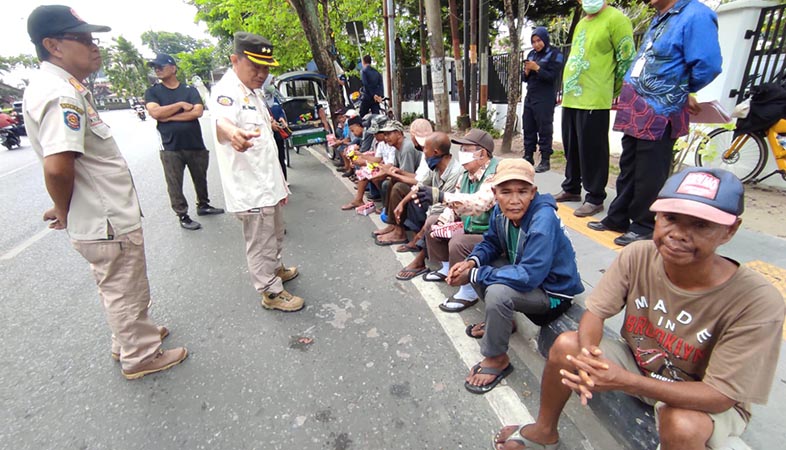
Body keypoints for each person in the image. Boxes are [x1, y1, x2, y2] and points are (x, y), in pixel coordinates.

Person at [491, 167, 785, 450]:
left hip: (700, 394)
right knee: (568, 345)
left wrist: (625, 381)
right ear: (656, 216)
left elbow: (719, 396)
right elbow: (595, 313)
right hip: (640, 364)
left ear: (730, 231)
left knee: (680, 423)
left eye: (701, 225)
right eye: (670, 218)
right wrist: (588, 360)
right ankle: (544, 431)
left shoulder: (757, 300)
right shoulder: (637, 255)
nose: (679, 234)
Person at [23, 5, 187, 379]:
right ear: (53, 45)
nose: (94, 46)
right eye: (82, 39)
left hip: (101, 216)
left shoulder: (64, 87)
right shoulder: (59, 93)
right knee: (125, 285)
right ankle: (141, 355)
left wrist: (62, 205)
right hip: (106, 218)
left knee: (116, 284)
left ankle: (130, 336)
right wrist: (62, 209)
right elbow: (57, 165)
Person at [588, 0, 722, 247]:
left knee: (650, 171)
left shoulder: (696, 15)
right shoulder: (661, 17)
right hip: (636, 107)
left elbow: (709, 65)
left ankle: (644, 225)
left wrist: (681, 90)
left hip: (661, 109)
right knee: (629, 165)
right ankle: (618, 216)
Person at [448, 159, 583, 394]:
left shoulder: (543, 219)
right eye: (506, 192)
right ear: (495, 193)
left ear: (533, 193)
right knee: (480, 263)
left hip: (551, 294)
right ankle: (503, 322)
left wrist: (476, 273)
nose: (514, 200)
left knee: (497, 291)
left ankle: (497, 358)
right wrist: (471, 262)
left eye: (522, 191)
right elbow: (490, 242)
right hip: (526, 276)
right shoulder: (500, 212)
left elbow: (530, 275)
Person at [210, 32, 304, 312]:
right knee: (259, 242)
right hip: (251, 188)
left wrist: (280, 185)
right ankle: (270, 292)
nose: (262, 73)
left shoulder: (252, 91)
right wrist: (232, 133)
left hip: (267, 184)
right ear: (234, 60)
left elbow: (264, 143)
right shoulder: (227, 91)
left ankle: (275, 270)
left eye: (266, 67)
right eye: (256, 66)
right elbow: (221, 123)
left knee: (274, 234)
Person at [555, 0, 635, 218]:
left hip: (594, 97)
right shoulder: (582, 22)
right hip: (572, 97)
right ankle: (572, 188)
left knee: (592, 149)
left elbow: (627, 59)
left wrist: (613, 89)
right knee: (571, 147)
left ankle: (595, 197)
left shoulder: (617, 19)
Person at [421, 129, 500, 311]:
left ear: (482, 153)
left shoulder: (494, 174)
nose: (461, 153)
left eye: (466, 148)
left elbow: (480, 203)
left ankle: (468, 291)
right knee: (432, 223)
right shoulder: (465, 175)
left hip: (489, 233)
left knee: (458, 242)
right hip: (470, 227)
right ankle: (446, 268)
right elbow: (454, 206)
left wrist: (441, 196)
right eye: (461, 148)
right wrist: (442, 223)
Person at [144, 53, 224, 230]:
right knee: (174, 182)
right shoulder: (153, 92)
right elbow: (156, 113)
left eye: (161, 66)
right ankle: (182, 214)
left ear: (173, 68)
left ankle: (203, 205)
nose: (157, 69)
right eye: (155, 67)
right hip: (170, 145)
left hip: (195, 142)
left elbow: (197, 112)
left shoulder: (190, 90)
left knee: (200, 177)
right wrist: (180, 105)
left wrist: (169, 116)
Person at [391, 132, 464, 280]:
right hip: (436, 208)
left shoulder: (456, 172)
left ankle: (420, 260)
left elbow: (444, 207)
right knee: (412, 199)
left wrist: (423, 230)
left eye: (425, 148)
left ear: (436, 152)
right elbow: (419, 186)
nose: (423, 151)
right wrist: (402, 203)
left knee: (433, 220)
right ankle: (419, 241)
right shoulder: (436, 167)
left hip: (451, 212)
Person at [372, 119, 427, 245]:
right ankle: (392, 224)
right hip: (415, 179)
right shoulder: (398, 148)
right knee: (390, 183)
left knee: (397, 186)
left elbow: (406, 178)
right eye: (384, 134)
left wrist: (389, 172)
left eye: (389, 134)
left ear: (399, 133)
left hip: (420, 184)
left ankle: (399, 232)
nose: (386, 138)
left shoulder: (407, 147)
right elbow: (397, 171)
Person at [522, 27, 563, 174]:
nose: (536, 44)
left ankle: (545, 159)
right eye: (533, 41)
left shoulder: (555, 54)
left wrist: (537, 68)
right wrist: (526, 72)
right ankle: (528, 156)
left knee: (544, 128)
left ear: (545, 39)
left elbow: (552, 77)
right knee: (528, 126)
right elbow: (525, 79)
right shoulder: (531, 54)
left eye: (538, 40)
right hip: (531, 95)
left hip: (545, 97)